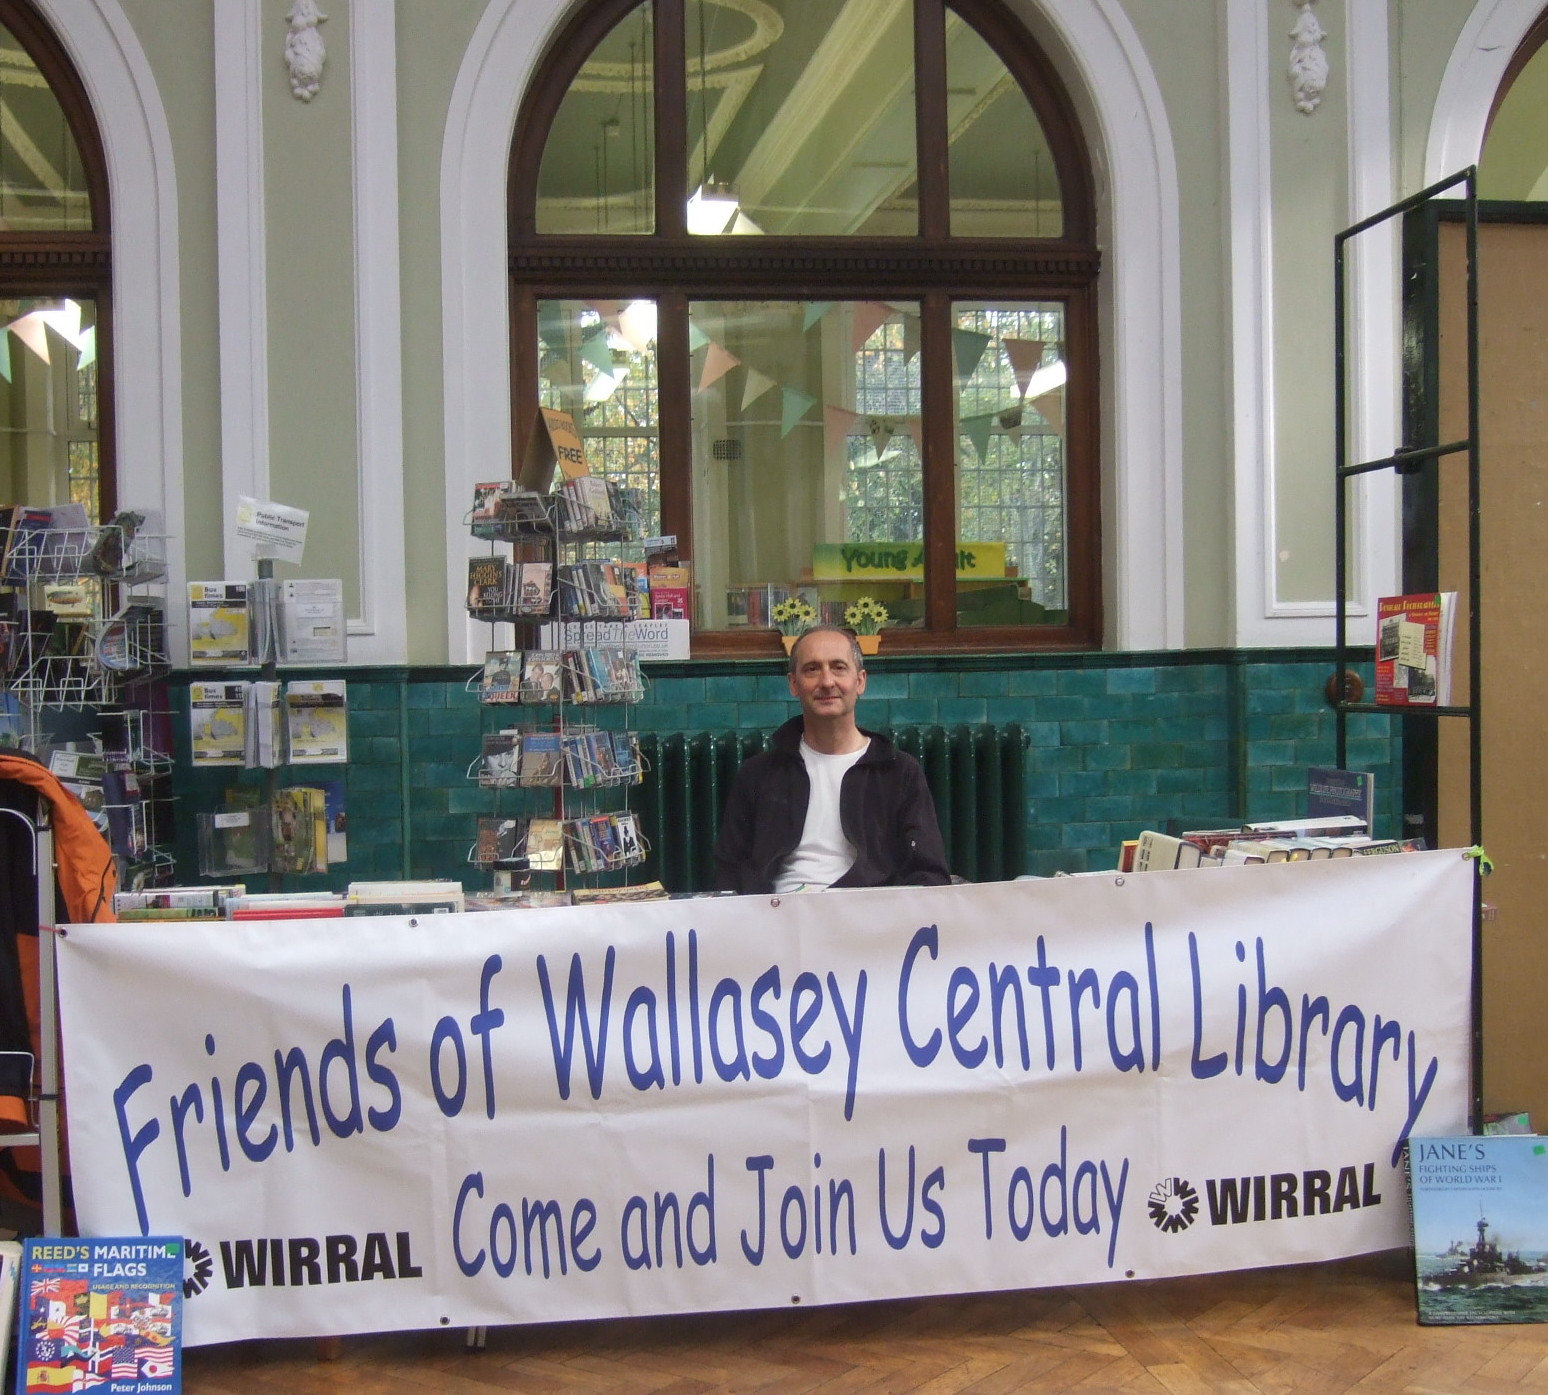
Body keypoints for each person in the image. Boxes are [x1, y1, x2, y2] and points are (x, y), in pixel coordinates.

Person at [713, 624, 951, 894]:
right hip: (778, 919)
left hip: (865, 918)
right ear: (793, 684)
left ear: (860, 681)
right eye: (812, 669)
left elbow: (929, 873)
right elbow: (729, 869)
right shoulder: (758, 774)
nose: (827, 682)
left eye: (838, 667)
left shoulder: (899, 772)